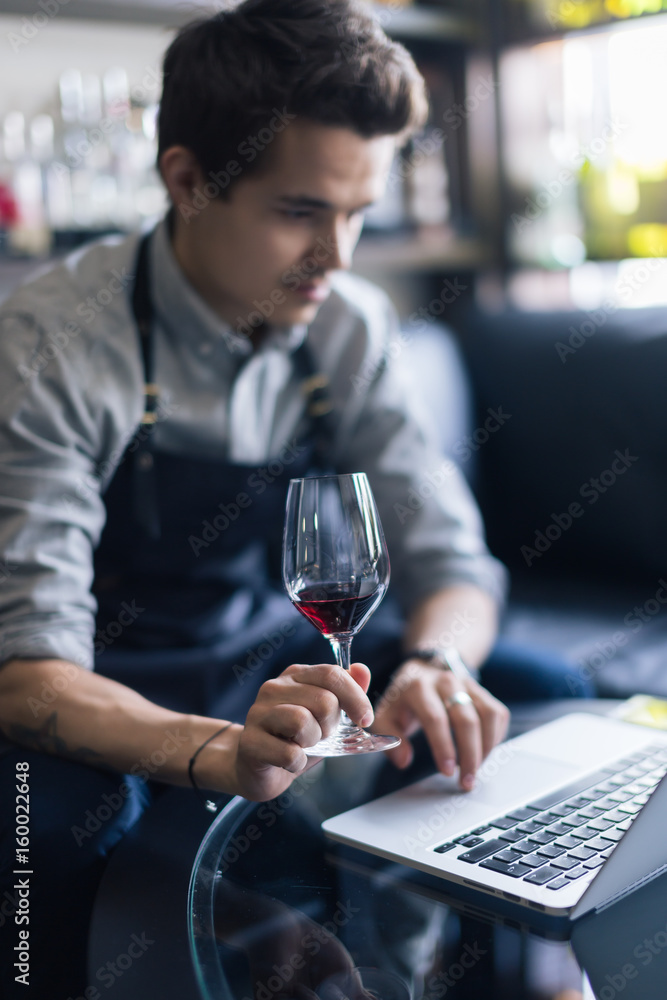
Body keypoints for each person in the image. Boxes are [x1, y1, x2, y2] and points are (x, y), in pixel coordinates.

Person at [0, 1, 548, 994]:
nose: (337, 258)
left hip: (285, 667)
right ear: (186, 181)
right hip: (115, 688)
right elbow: (30, 677)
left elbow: (454, 566)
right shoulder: (51, 344)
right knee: (43, 830)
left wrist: (434, 661)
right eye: (301, 211)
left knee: (546, 699)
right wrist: (223, 751)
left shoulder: (350, 327)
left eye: (357, 212)